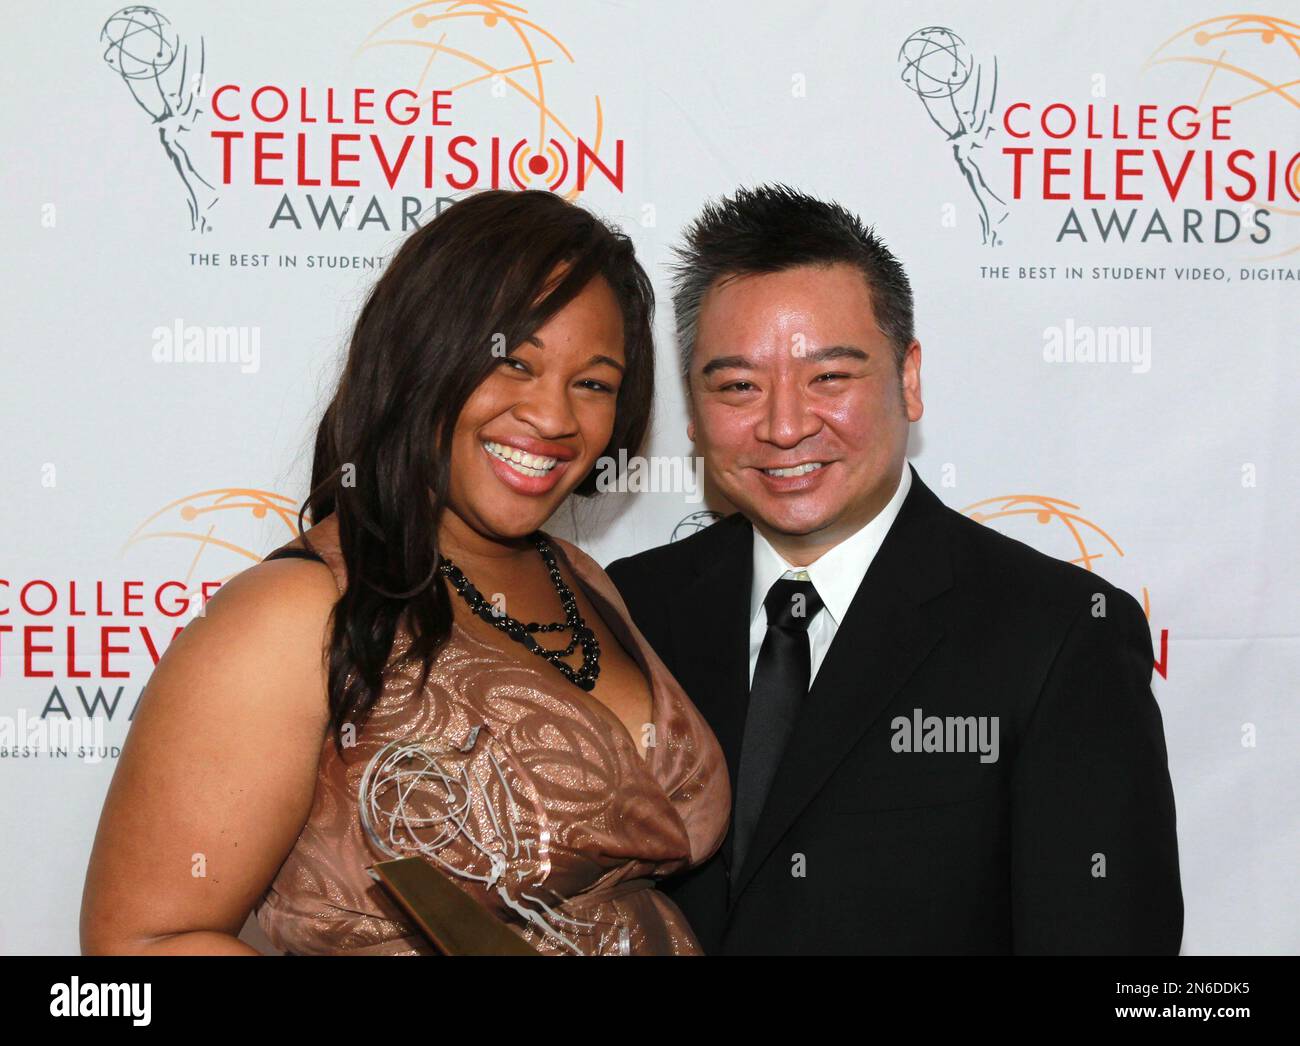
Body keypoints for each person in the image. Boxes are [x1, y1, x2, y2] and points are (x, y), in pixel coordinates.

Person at [79, 189, 730, 956]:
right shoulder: (300, 610)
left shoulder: (585, 580)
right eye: (514, 362)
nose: (555, 418)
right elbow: (143, 944)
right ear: (425, 354)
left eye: (593, 383)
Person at [606, 183, 1183, 955]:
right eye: (739, 385)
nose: (784, 425)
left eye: (830, 378)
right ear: (695, 405)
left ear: (908, 379)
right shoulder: (629, 608)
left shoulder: (1058, 636)